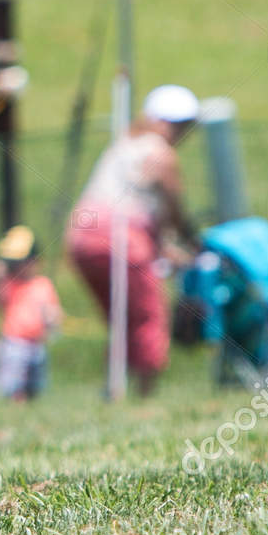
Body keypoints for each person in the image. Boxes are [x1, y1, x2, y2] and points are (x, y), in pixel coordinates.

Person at [67, 84, 201, 396]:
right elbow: (171, 207)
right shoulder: (161, 154)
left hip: (83, 239)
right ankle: (145, 393)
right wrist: (188, 240)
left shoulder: (124, 143)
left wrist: (162, 242)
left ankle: (112, 389)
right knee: (148, 315)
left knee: (120, 319)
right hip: (123, 239)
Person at [0, 226, 62, 402]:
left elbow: (51, 309)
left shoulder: (42, 284)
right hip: (14, 343)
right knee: (15, 383)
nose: (15, 267)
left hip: (36, 343)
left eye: (19, 262)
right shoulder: (9, 284)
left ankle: (28, 402)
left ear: (34, 261)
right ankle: (16, 404)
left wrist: (53, 320)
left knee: (34, 383)